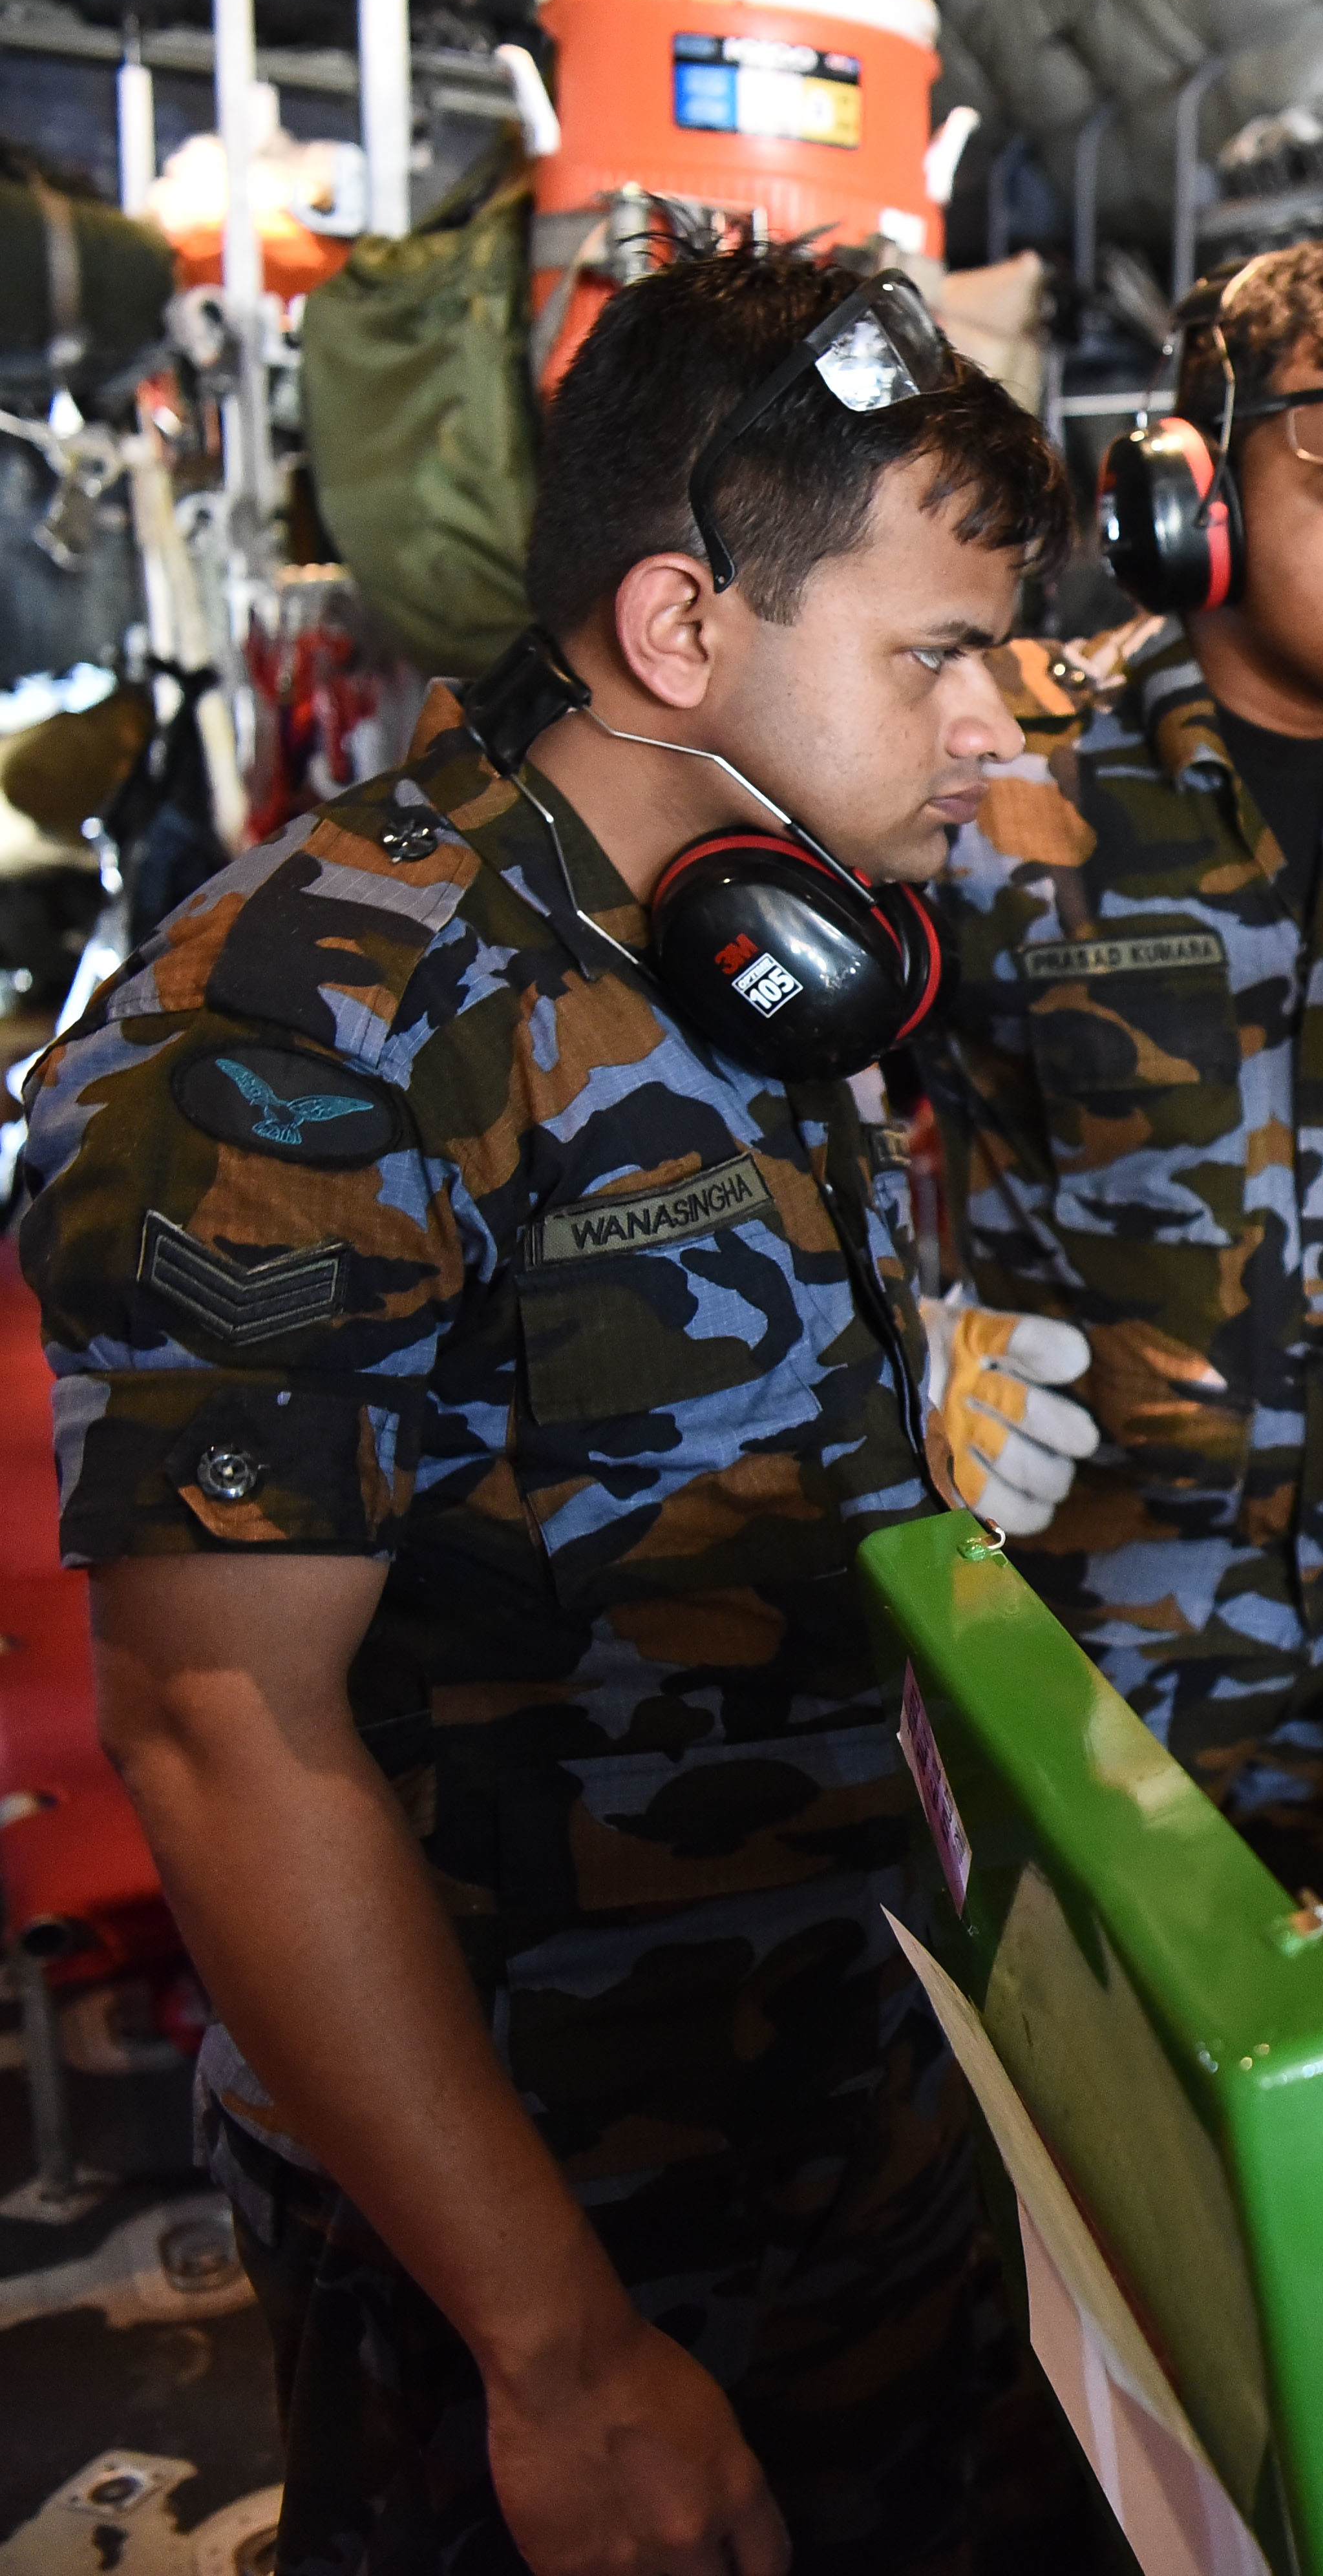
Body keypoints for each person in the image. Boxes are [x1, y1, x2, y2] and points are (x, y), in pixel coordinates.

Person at [11, 248, 1061, 2575]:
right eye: (938, 655)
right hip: (538, 2237)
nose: (999, 726)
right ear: (682, 628)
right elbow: (219, 1728)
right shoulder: (312, 1025)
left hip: (847, 2125)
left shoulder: (747, 956)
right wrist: (561, 2359)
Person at [909, 242, 1323, 2069]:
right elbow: (784, 1108)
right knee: (1085, 2125)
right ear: (1191, 502)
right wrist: (903, 1342)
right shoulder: (1007, 765)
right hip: (1092, 1637)